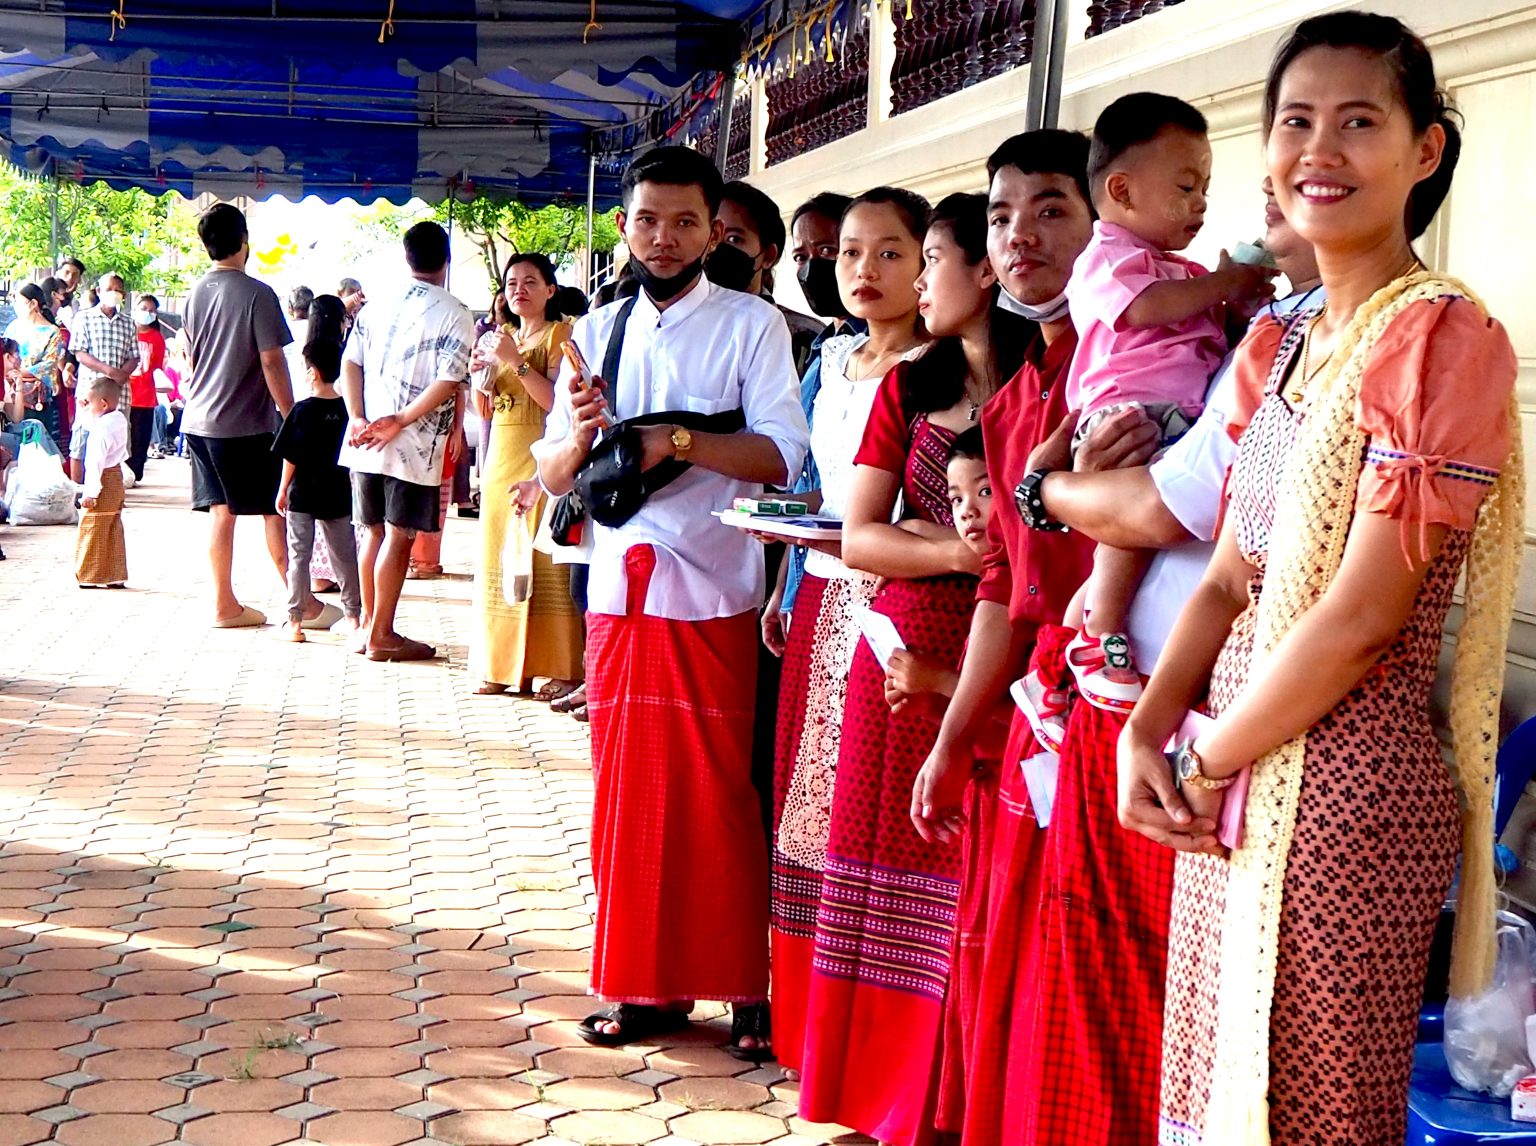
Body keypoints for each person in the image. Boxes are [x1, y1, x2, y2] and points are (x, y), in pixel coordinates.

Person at [1119, 14, 1522, 1144]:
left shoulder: (1444, 340)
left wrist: (1200, 754)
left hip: (1343, 799)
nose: (1320, 152)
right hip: (1229, 780)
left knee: (1312, 1110)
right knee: (1213, 1086)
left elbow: (1360, 618)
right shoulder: (1280, 343)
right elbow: (1227, 574)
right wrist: (1146, 730)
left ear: (1424, 150)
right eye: (1296, 122)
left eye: (1360, 123)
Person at [995, 192, 1322, 1146]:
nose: (1284, 179)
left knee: (1167, 1007)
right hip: (1147, 704)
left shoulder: (1366, 333)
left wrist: (1047, 489)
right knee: (1105, 990)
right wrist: (1054, 490)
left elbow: (1161, 512)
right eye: (1285, 136)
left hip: (1212, 717)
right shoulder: (1259, 324)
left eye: (1344, 128)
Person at [533, 145, 807, 1052]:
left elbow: (782, 454)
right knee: (629, 795)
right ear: (624, 223)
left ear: (715, 229)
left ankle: (745, 988)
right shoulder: (600, 327)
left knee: (721, 793)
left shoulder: (751, 325)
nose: (665, 237)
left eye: (686, 221)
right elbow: (552, 472)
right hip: (616, 589)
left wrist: (677, 440)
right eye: (648, 219)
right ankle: (645, 987)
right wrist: (577, 434)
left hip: (715, 586)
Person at [796, 192, 1027, 1146]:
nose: (918, 281)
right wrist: (959, 554)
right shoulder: (908, 388)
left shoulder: (1043, 380)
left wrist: (977, 561)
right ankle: (881, 1095)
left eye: (930, 259)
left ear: (985, 275)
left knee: (973, 878)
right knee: (881, 860)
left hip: (1005, 649)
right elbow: (859, 538)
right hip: (896, 655)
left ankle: (958, 1098)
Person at [907, 129, 1098, 1146]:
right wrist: (951, 740)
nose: (1020, 233)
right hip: (1034, 721)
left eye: (1053, 207)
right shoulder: (1026, 396)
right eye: (1000, 213)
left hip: (1124, 724)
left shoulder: (1167, 362)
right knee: (1009, 956)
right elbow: (1002, 586)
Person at [1036, 94, 1273, 714]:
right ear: (1122, 189)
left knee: (1131, 542)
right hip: (1127, 409)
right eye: (1186, 186)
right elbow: (1144, 311)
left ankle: (1063, 658)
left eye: (1205, 189)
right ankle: (1100, 632)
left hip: (1171, 413)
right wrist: (1219, 286)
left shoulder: (1177, 267)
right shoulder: (1106, 258)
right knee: (1128, 528)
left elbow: (1204, 335)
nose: (1200, 203)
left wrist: (1232, 304)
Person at [769, 187, 928, 1080]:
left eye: (889, 253)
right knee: (807, 817)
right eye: (850, 253)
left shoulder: (943, 371)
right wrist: (787, 566)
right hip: (823, 596)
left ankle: (869, 1050)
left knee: (869, 826)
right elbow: (813, 486)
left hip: (892, 610)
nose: (863, 270)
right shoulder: (832, 361)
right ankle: (808, 1028)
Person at [339, 221, 473, 662]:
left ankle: (364, 626)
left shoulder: (374, 307)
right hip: (414, 444)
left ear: (406, 256)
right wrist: (399, 420)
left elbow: (350, 365)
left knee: (371, 533)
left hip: (363, 437)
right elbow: (448, 380)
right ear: (446, 259)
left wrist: (358, 415)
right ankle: (382, 633)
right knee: (399, 535)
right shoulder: (455, 311)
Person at [469, 252, 583, 699]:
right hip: (500, 453)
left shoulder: (561, 334)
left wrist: (514, 362)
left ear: (550, 290)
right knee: (500, 554)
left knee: (543, 556)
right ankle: (499, 665)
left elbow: (556, 402)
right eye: (512, 282)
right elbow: (488, 407)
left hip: (542, 454)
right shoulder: (505, 337)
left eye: (531, 281)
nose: (519, 289)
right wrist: (483, 376)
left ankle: (559, 667)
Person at [181, 202, 296, 627]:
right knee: (273, 509)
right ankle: (299, 601)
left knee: (222, 512)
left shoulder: (194, 294)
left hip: (199, 421)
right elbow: (272, 362)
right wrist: (291, 413)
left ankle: (224, 603)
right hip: (245, 425)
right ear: (245, 242)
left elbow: (192, 359)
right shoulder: (257, 294)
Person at [274, 338, 356, 643]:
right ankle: (354, 617)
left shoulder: (302, 410)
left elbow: (290, 456)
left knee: (299, 556)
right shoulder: (349, 411)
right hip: (337, 492)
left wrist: (282, 489)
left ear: (312, 373)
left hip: (302, 494)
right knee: (344, 556)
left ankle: (294, 623)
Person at [708, 179, 824, 374]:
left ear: (768, 256)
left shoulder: (805, 339)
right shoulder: (678, 325)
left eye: (734, 239)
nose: (718, 248)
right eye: (712, 237)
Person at [71, 273, 139, 449]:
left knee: (118, 446)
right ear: (99, 291)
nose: (113, 293)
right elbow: (80, 353)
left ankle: (113, 478)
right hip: (90, 392)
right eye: (109, 289)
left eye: (118, 290)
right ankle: (78, 478)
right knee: (81, 444)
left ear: (123, 295)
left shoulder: (129, 323)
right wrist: (110, 371)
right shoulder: (83, 318)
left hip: (120, 395)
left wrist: (121, 375)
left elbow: (134, 356)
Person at [75, 376, 130, 588]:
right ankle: (115, 574)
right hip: (115, 478)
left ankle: (90, 575)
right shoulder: (118, 420)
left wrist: (90, 493)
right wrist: (84, 409)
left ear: (103, 404)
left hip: (102, 481)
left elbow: (95, 463)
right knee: (112, 527)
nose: (88, 407)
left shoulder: (101, 430)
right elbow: (93, 421)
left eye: (90, 403)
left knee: (93, 527)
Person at [4, 283, 66, 452]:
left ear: (33, 304)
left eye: (19, 300)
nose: (15, 304)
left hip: (37, 399)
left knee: (36, 447)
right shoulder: (13, 327)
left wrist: (18, 373)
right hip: (10, 394)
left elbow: (49, 365)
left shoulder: (53, 332)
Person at [125, 294, 166, 482]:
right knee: (125, 437)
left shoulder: (157, 338)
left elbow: (156, 366)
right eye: (144, 309)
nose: (147, 313)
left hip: (146, 396)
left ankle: (135, 472)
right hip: (125, 394)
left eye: (151, 310)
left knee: (141, 438)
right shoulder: (125, 331)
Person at [283, 285, 315, 386]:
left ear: (290, 308)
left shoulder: (281, 330)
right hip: (311, 390)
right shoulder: (317, 330)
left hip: (285, 391)